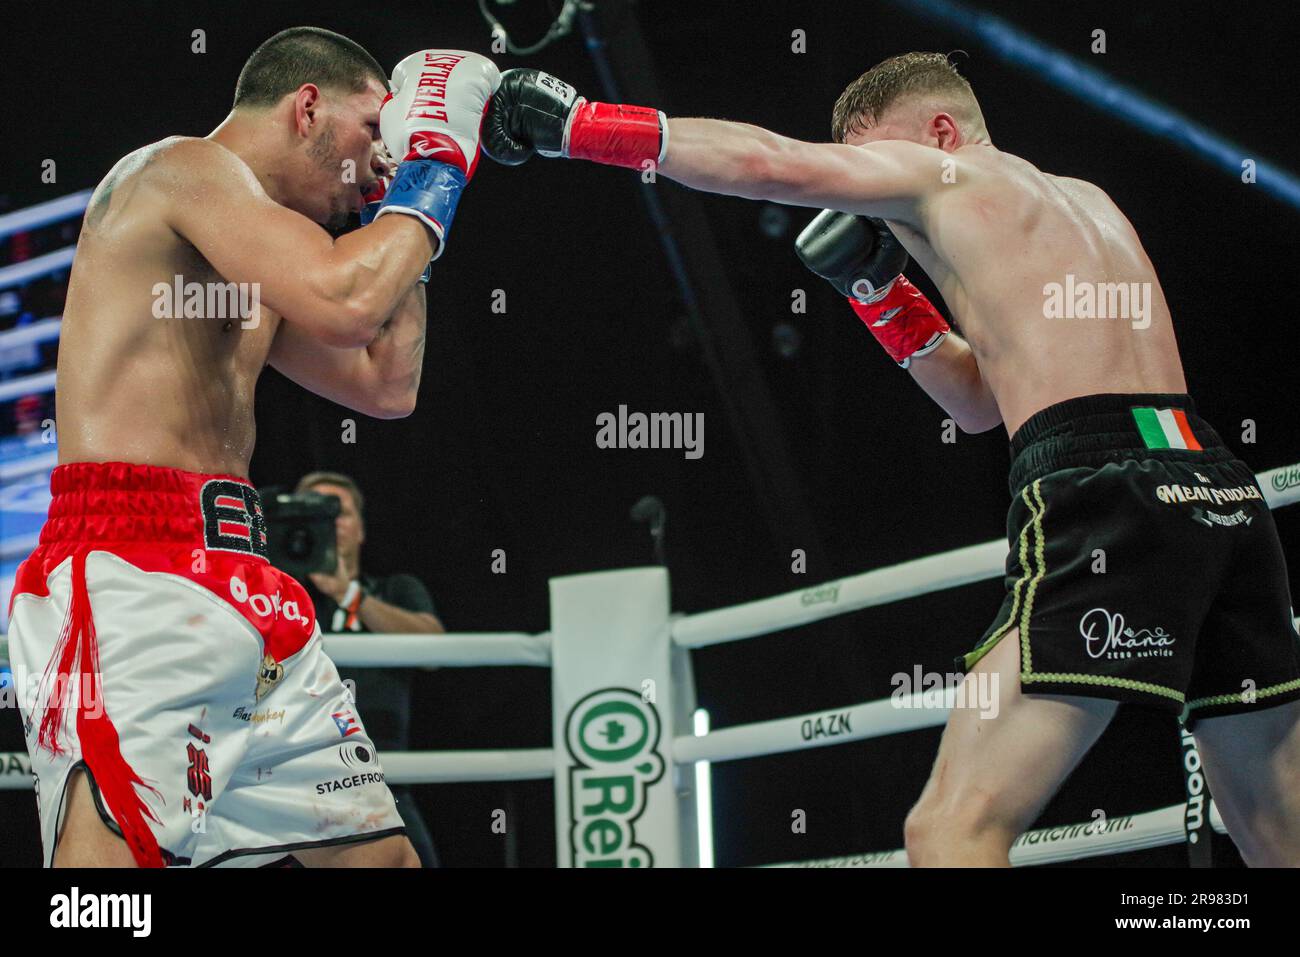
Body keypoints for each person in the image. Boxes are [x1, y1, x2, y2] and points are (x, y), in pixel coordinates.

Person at [481, 53, 1300, 865]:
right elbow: (978, 405)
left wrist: (579, 126)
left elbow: (770, 163)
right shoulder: (1088, 205)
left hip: (1102, 485)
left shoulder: (948, 178)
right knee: (1274, 823)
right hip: (1213, 486)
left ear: (939, 131)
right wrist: (883, 294)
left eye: (870, 156)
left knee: (947, 830)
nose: (867, 187)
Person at [6, 27, 499, 867]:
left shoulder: (255, 256)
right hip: (133, 570)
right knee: (108, 879)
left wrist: (412, 193)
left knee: (382, 859)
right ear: (307, 106)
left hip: (247, 581)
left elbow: (386, 382)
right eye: (374, 133)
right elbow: (345, 300)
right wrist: (435, 166)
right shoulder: (181, 170)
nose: (383, 160)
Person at [296, 470, 444, 867]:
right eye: (313, 513)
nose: (327, 523)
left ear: (361, 530)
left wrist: (348, 595)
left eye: (337, 512)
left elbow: (434, 650)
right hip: (291, 780)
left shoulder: (395, 589)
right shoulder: (273, 596)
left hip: (385, 780)